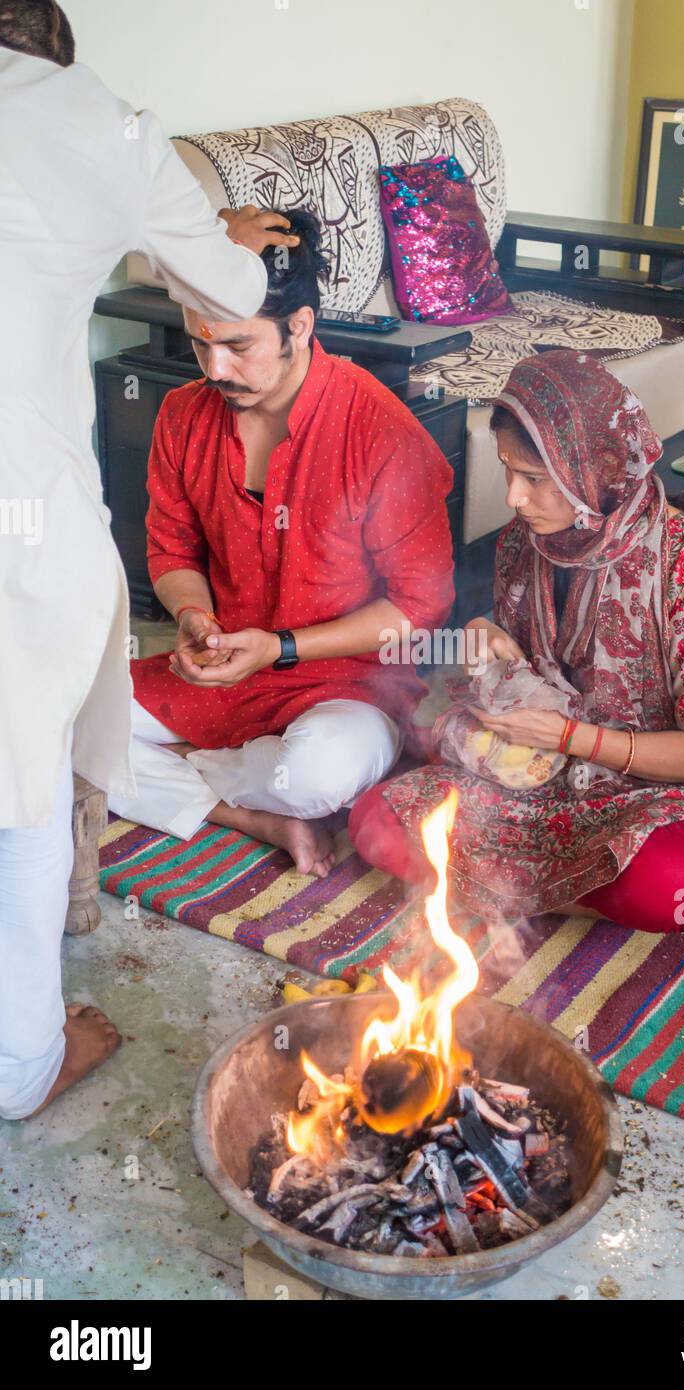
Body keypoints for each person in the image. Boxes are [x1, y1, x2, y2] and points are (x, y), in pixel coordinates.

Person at [0, 0, 300, 1119]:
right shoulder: (96, 120)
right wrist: (210, 239)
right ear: (52, 45)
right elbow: (237, 292)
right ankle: (23, 1061)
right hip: (16, 511)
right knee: (23, 777)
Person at [349, 352, 684, 945]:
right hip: (541, 781)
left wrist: (570, 738)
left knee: (668, 883)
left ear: (594, 471)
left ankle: (543, 887)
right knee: (375, 822)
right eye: (507, 471)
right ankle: (570, 892)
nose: (514, 498)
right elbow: (539, 660)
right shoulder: (523, 546)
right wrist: (490, 635)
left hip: (659, 791)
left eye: (536, 480)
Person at [108, 207, 455, 879]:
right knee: (47, 719)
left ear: (299, 326)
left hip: (346, 685)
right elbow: (172, 551)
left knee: (312, 776)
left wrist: (281, 647)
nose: (214, 367)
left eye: (238, 345)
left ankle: (220, 783)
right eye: (200, 343)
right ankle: (248, 814)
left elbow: (421, 607)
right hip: (221, 670)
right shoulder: (183, 416)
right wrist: (193, 618)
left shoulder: (379, 431)